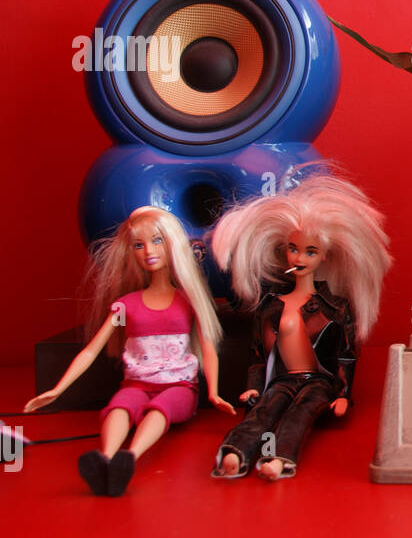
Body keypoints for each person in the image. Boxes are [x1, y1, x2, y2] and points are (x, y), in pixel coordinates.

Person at [24, 206, 223, 496]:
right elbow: (92, 351)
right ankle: (105, 459)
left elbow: (208, 348)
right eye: (138, 245)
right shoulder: (126, 306)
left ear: (173, 245)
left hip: (179, 387)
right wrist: (58, 390)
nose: (148, 251)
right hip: (136, 384)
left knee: (160, 409)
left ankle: (129, 458)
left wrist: (213, 392)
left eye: (157, 241)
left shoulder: (188, 302)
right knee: (119, 405)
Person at [209, 175, 391, 480]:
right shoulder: (270, 306)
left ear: (324, 256)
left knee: (299, 414)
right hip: (281, 379)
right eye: (294, 249)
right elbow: (257, 354)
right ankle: (234, 452)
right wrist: (254, 384)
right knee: (263, 411)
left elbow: (345, 355)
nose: (300, 257)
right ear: (284, 251)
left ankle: (279, 460)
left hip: (319, 381)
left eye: (310, 251)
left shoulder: (335, 307)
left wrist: (345, 393)